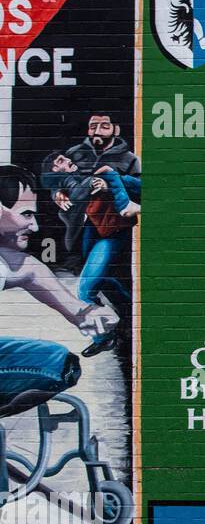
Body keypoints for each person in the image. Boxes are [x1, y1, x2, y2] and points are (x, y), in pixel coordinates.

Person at [0, 165, 119, 412]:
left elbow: (30, 271)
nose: (34, 227)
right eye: (26, 214)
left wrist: (87, 314)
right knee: (52, 366)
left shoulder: (9, 261)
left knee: (61, 364)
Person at [48, 113, 141, 356]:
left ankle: (104, 335)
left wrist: (111, 183)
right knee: (101, 281)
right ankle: (130, 311)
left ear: (115, 129)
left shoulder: (129, 159)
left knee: (86, 289)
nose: (98, 130)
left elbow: (144, 186)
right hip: (89, 227)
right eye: (93, 126)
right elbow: (57, 179)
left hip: (114, 228)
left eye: (104, 125)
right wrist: (57, 194)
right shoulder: (75, 153)